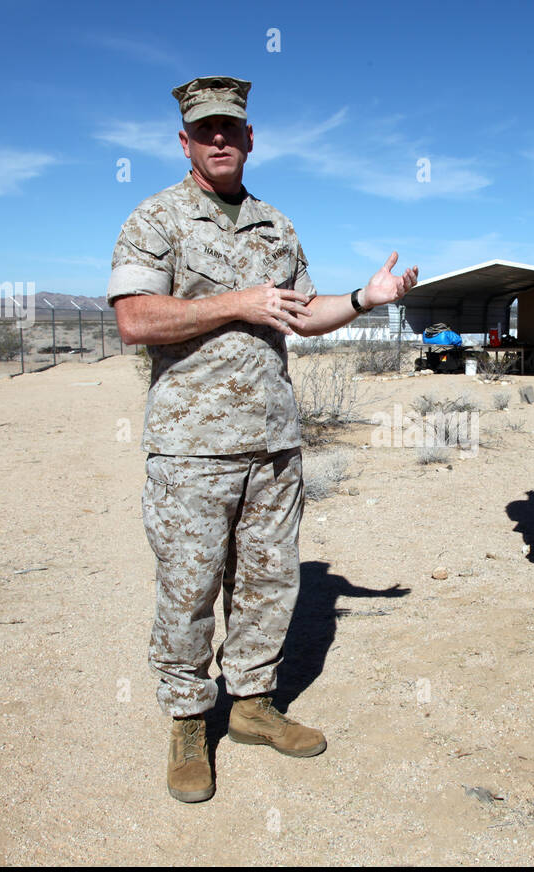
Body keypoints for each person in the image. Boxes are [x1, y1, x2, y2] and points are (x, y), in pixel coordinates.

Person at [107, 75, 418, 802]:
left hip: (273, 444)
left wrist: (366, 299)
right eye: (205, 129)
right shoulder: (155, 219)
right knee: (188, 588)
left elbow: (302, 317)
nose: (220, 138)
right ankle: (189, 719)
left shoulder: (277, 226)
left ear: (250, 138)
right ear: (185, 141)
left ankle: (250, 705)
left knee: (270, 584)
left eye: (232, 128)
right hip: (191, 448)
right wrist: (237, 302)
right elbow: (136, 320)